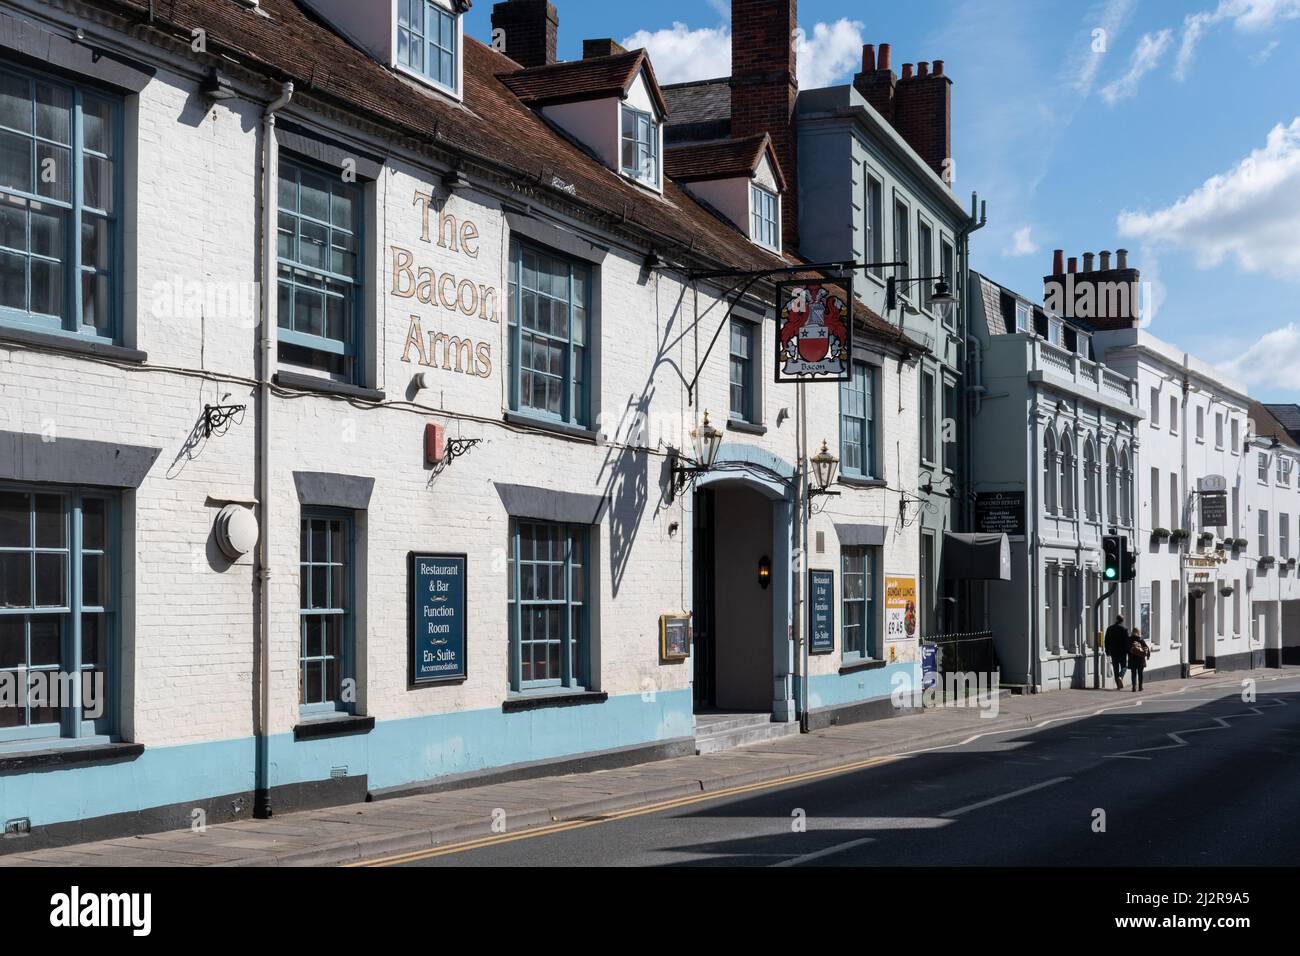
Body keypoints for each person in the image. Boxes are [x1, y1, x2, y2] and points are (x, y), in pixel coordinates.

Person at [1104, 615, 1130, 689]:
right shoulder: (1124, 629)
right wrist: (1128, 651)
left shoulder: (1110, 629)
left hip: (1113, 652)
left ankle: (1118, 685)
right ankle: (1121, 677)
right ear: (1122, 620)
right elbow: (1126, 642)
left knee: (1115, 668)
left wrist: (1107, 650)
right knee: (1124, 666)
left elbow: (1106, 640)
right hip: (1122, 652)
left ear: (1116, 619)